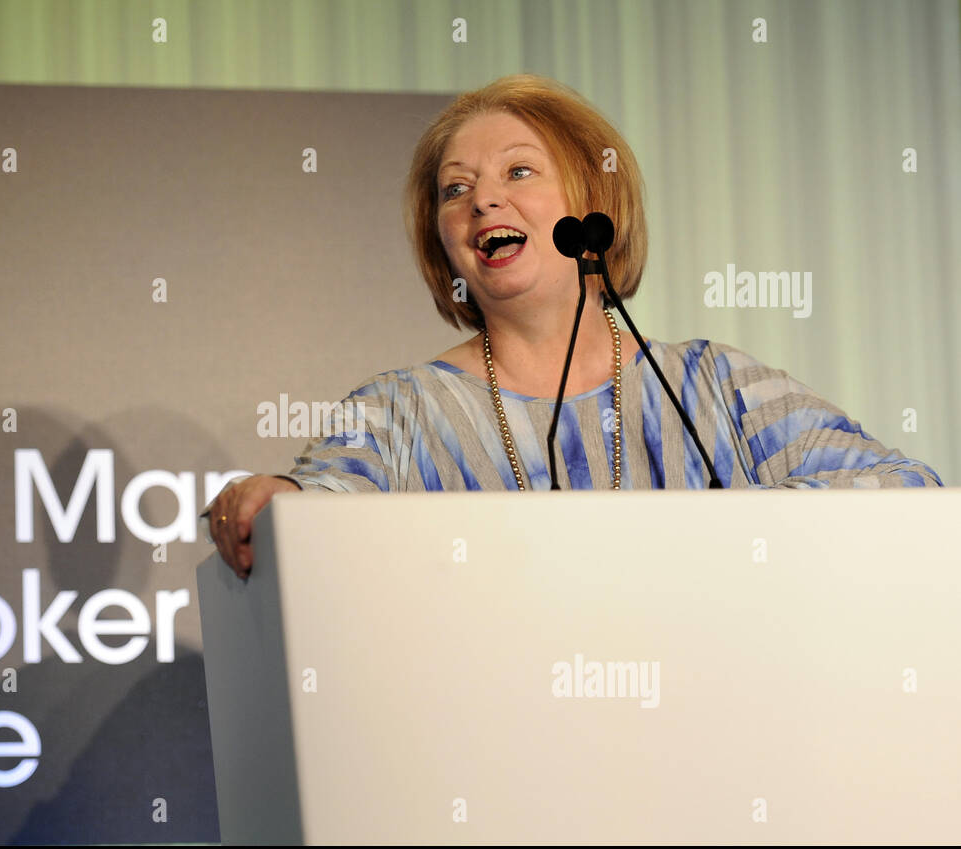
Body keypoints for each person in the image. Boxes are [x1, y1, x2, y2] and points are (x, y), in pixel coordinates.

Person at [204, 74, 942, 580]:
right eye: (455, 189)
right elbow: (316, 515)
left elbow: (904, 490)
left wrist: (721, 539)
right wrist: (275, 498)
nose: (483, 201)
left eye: (518, 172)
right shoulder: (400, 412)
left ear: (595, 203)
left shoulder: (714, 385)